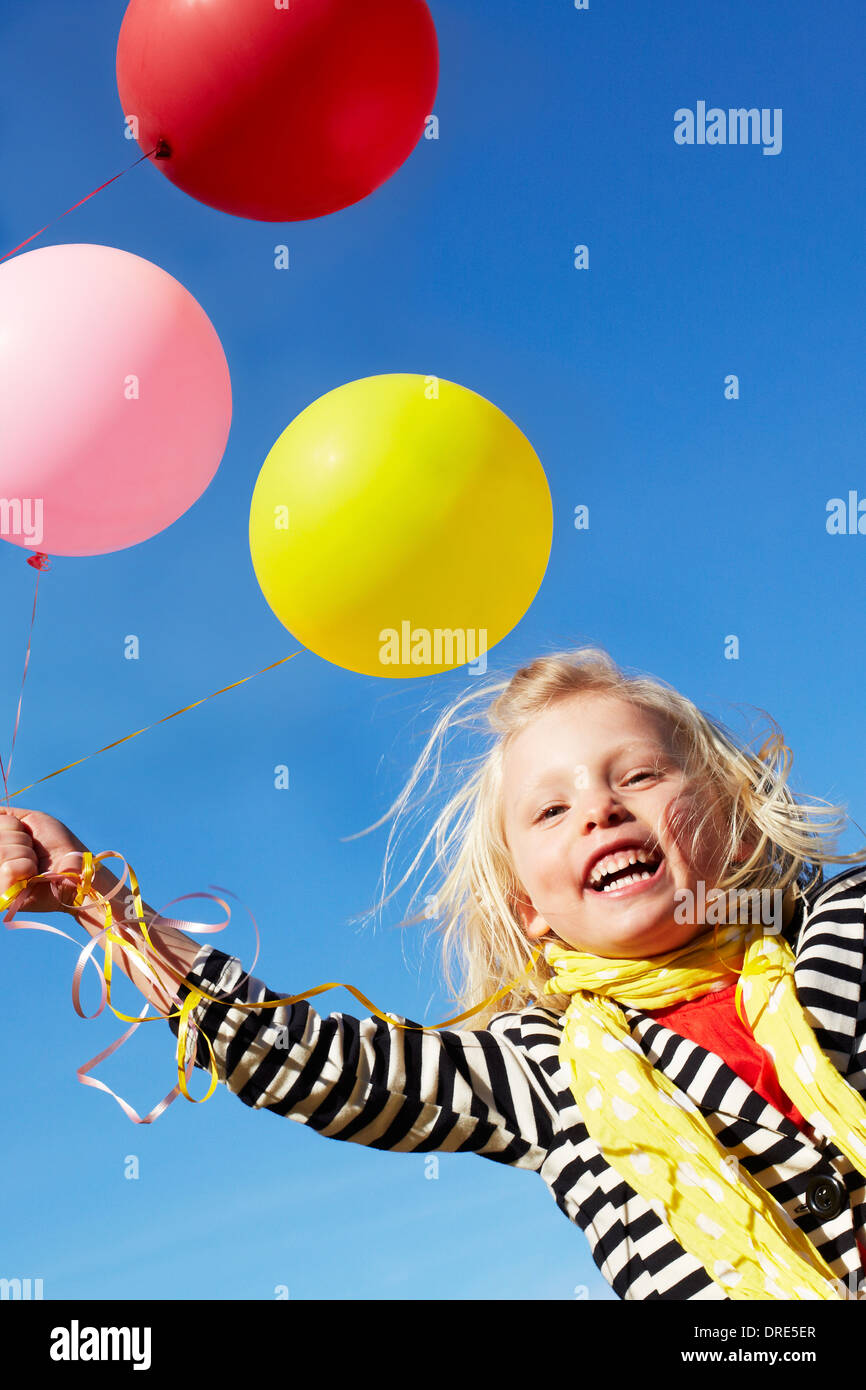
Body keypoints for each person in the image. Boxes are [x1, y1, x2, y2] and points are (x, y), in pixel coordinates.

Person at [4, 644, 866, 1300]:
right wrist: (102, 900)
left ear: (738, 827)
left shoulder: (835, 931)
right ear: (531, 908)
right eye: (552, 811)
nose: (601, 810)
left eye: (639, 776)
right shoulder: (542, 1069)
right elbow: (312, 1062)